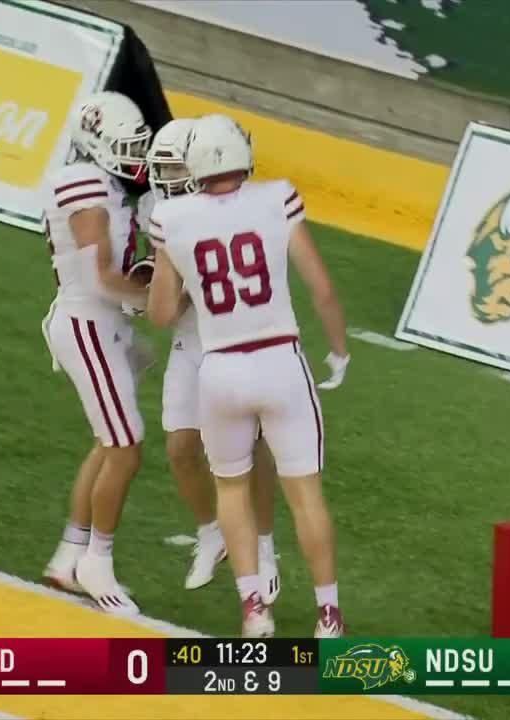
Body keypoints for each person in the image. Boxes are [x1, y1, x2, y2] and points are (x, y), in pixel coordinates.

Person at [146, 114, 351, 638]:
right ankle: (328, 614)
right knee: (304, 493)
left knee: (231, 490)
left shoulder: (172, 217)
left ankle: (254, 609)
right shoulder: (277, 198)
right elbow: (322, 288)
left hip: (220, 370)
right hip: (280, 360)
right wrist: (338, 352)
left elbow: (163, 314)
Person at [144, 119, 281, 602]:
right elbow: (167, 306)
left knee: (251, 448)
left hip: (241, 336)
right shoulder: (158, 210)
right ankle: (212, 532)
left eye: (177, 166)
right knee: (181, 447)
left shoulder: (239, 208)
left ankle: (263, 545)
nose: (170, 178)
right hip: (192, 338)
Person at [40, 91, 153, 616]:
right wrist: (159, 301)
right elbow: (101, 277)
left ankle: (69, 555)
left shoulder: (100, 182)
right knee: (127, 448)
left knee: (110, 444)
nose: (135, 158)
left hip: (101, 322)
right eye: (126, 147)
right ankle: (96, 563)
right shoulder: (83, 184)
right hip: (88, 320)